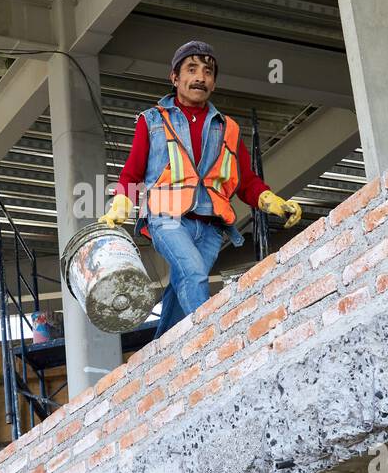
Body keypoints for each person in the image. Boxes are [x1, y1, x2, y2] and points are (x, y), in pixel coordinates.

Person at [98, 40, 302, 338]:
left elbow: (246, 181)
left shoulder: (227, 128)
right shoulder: (153, 120)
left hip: (209, 227)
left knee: (182, 288)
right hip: (166, 219)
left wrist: (272, 201)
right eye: (191, 69)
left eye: (207, 72)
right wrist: (120, 206)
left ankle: (159, 360)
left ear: (214, 82)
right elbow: (132, 171)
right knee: (194, 274)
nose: (200, 77)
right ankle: (212, 341)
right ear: (175, 78)